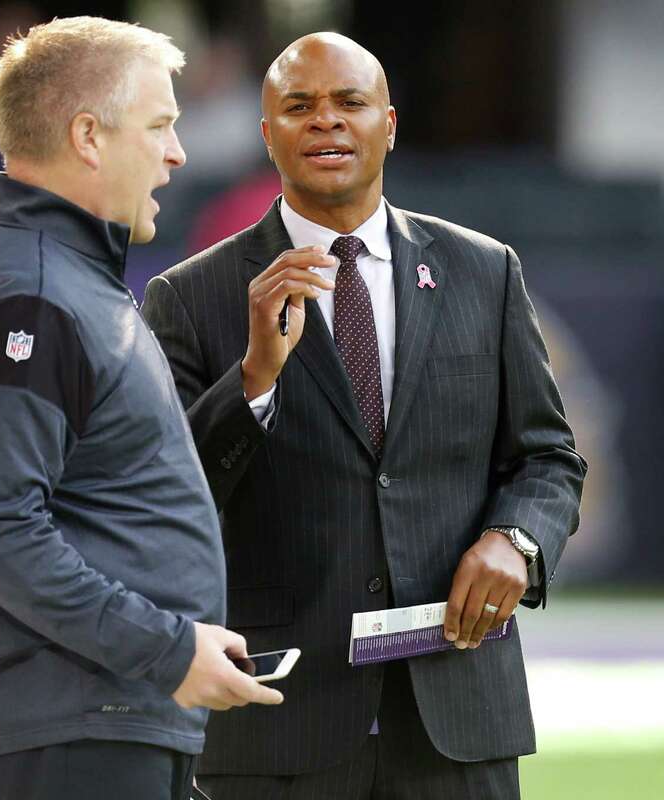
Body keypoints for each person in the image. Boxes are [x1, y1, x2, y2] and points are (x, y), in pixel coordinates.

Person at [142, 32, 587, 798]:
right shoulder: (189, 296)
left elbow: (546, 457)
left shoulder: (484, 271)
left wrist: (517, 540)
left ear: (389, 124)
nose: (327, 120)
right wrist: (254, 378)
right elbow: (170, 498)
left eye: (350, 102)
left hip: (457, 717)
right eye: (300, 106)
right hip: (278, 722)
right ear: (267, 134)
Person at [0, 17, 281, 800]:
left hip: (106, 723)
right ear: (88, 136)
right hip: (80, 732)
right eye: (159, 126)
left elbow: (119, 487)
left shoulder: (64, 276)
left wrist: (253, 379)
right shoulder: (34, 291)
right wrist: (166, 649)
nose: (176, 153)